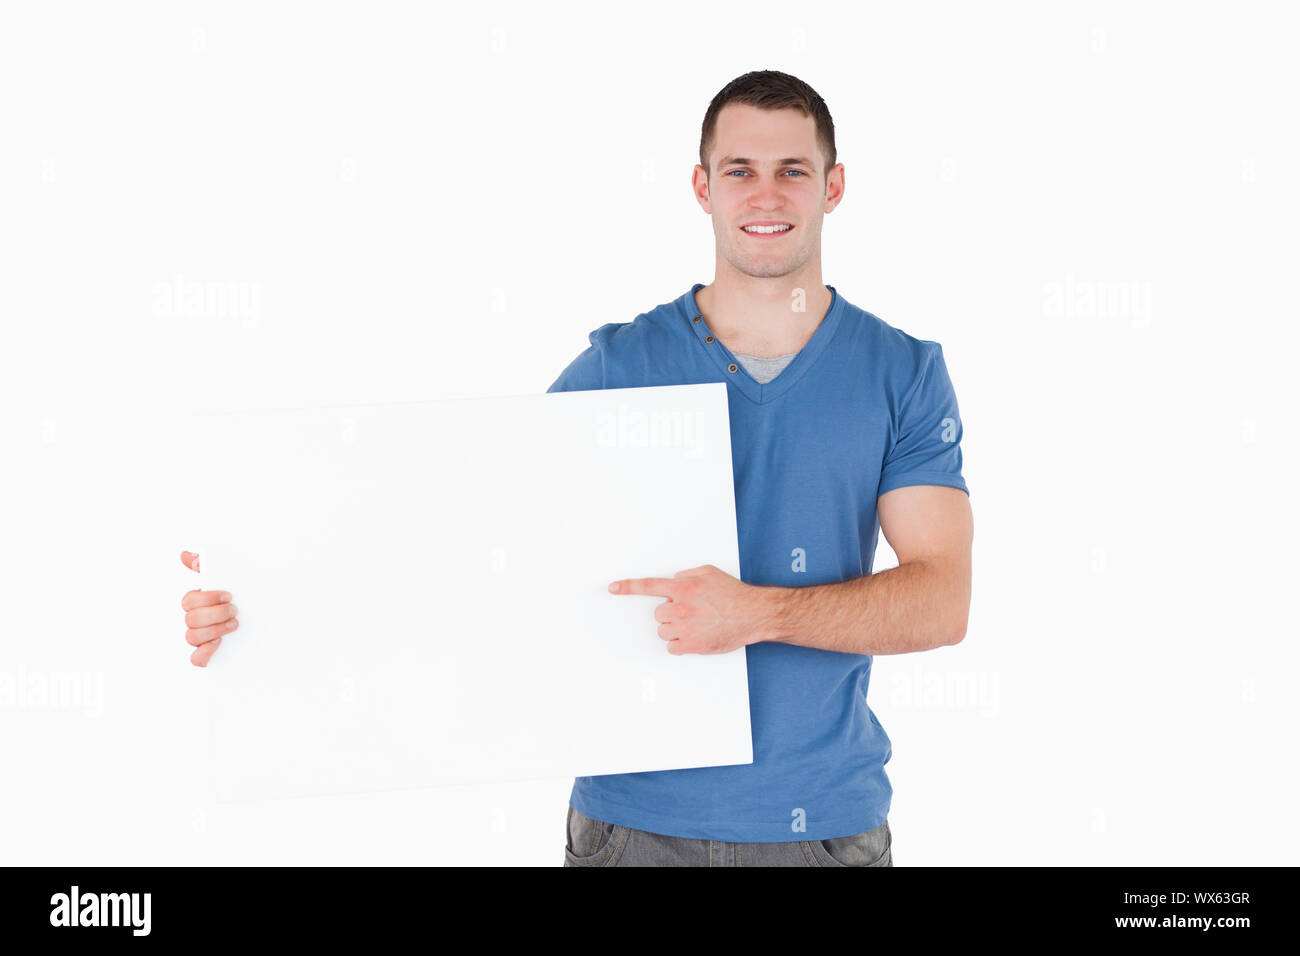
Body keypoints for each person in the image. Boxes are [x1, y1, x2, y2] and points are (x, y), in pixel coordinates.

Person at [180, 69, 974, 868]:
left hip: (823, 832)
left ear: (833, 187)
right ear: (702, 188)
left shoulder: (901, 372)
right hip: (631, 830)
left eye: (791, 171)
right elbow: (468, 536)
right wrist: (266, 590)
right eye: (740, 171)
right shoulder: (618, 367)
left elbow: (941, 600)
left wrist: (756, 614)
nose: (765, 196)